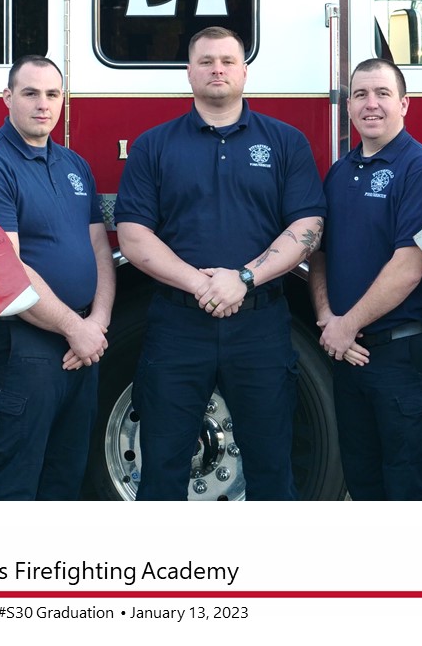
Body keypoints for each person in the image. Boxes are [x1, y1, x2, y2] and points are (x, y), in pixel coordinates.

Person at [114, 26, 326, 500]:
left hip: (260, 324)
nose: (217, 70)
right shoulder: (154, 145)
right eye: (206, 61)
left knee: (273, 464)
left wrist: (245, 279)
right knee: (163, 466)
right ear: (189, 72)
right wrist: (203, 284)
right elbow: (132, 235)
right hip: (177, 324)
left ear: (244, 71)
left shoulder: (285, 142)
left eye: (227, 61)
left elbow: (308, 225)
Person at [0, 55, 115, 500]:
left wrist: (96, 323)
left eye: (52, 94)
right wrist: (74, 328)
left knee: (64, 482)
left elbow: (100, 248)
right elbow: (7, 270)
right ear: (7, 98)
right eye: (30, 93)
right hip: (21, 347)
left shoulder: (74, 165)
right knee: (14, 485)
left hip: (81, 345)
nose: (43, 104)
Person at [309, 58, 422, 500]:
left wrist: (344, 325)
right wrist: (326, 319)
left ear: (405, 103)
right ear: (349, 107)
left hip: (406, 355)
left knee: (408, 486)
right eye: (360, 95)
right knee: (363, 481)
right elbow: (319, 253)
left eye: (383, 94)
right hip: (350, 355)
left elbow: (409, 267)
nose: (371, 104)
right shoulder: (340, 171)